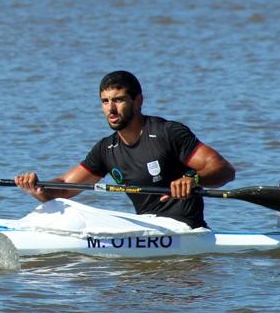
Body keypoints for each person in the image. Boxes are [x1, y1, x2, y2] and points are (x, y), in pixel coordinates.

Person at [14, 70, 235, 229]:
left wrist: (193, 179)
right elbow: (64, 188)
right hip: (147, 228)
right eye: (105, 101)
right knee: (60, 209)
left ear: (138, 100)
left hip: (185, 230)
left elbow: (224, 169)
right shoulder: (106, 149)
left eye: (118, 100)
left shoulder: (167, 133)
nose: (110, 109)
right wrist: (38, 187)